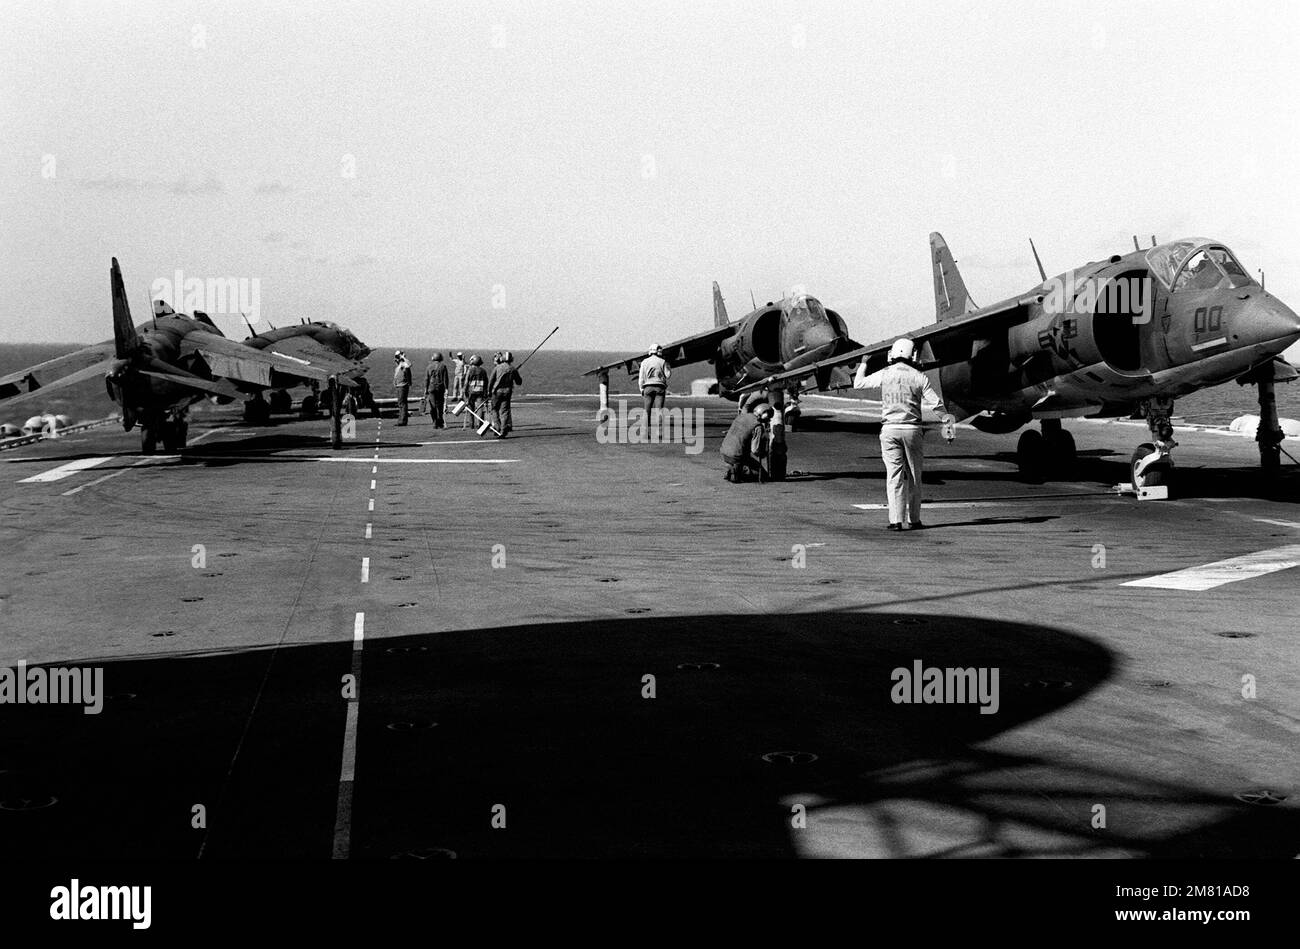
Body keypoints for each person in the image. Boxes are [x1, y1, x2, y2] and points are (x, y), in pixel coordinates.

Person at [858, 338, 955, 531]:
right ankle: (914, 520)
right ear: (913, 355)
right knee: (914, 475)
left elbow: (859, 383)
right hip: (912, 430)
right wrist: (949, 426)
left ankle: (895, 521)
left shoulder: (885, 374)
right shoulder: (919, 377)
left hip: (890, 429)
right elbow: (936, 405)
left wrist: (863, 363)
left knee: (894, 476)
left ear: (892, 355)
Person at [720, 400, 773, 482]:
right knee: (763, 475)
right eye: (769, 417)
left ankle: (732, 467)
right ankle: (737, 471)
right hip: (737, 456)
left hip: (724, 452)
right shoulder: (757, 426)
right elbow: (755, 450)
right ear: (764, 414)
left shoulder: (742, 416)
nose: (769, 420)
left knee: (745, 459)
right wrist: (763, 452)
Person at [487, 350, 523, 437]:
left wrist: (489, 392)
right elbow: (519, 382)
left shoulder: (497, 368)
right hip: (507, 392)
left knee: (494, 410)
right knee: (505, 411)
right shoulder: (512, 369)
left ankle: (497, 427)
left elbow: (491, 381)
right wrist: (514, 372)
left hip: (497, 392)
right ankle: (503, 430)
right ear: (511, 359)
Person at [638, 345, 670, 419]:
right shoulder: (663, 361)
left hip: (647, 387)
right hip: (660, 387)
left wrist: (641, 389)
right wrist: (668, 366)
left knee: (647, 408)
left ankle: (646, 424)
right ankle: (659, 425)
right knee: (659, 409)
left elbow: (641, 378)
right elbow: (667, 375)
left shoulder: (644, 362)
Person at [424, 352, 450, 428]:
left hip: (431, 388)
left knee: (433, 406)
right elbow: (446, 379)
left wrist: (425, 389)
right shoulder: (443, 366)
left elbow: (426, 379)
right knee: (440, 405)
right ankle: (440, 421)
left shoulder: (429, 367)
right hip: (440, 388)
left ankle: (435, 422)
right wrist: (447, 388)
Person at [463, 354, 489, 428]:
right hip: (480, 391)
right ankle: (479, 424)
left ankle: (471, 424)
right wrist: (486, 393)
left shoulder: (470, 370)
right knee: (480, 408)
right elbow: (486, 383)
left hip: (471, 391)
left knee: (470, 407)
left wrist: (465, 392)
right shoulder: (483, 371)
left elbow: (466, 382)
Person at [392, 350, 413, 426]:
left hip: (403, 385)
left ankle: (403, 421)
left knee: (402, 403)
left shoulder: (404, 364)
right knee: (400, 403)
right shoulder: (399, 365)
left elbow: (409, 364)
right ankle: (401, 420)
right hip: (399, 385)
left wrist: (403, 358)